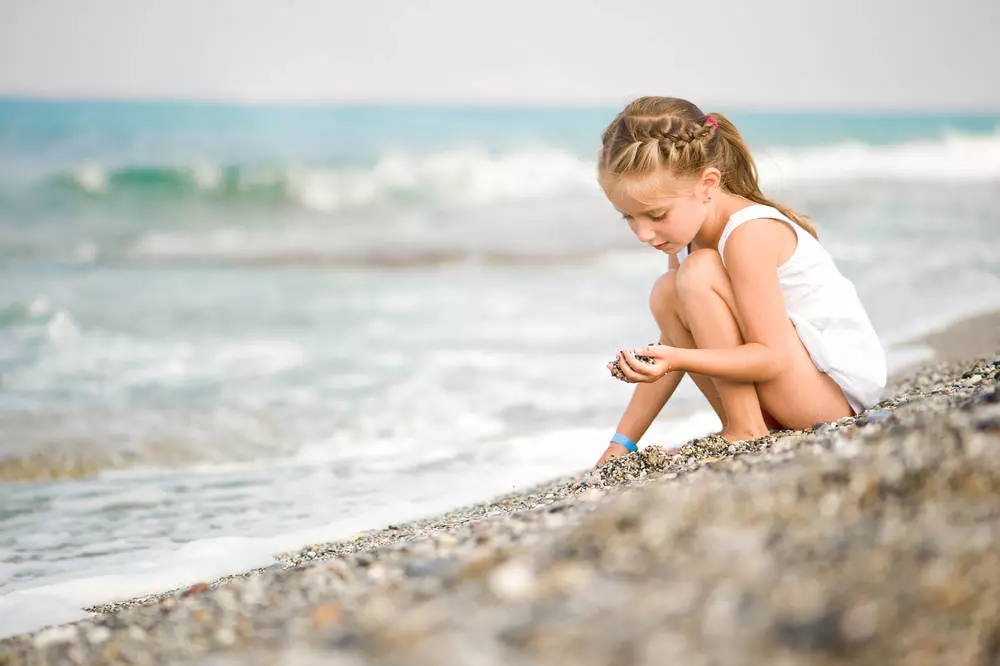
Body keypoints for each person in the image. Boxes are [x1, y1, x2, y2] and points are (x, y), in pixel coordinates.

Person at [591, 97, 886, 469]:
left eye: (657, 215)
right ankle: (744, 424)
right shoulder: (684, 238)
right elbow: (675, 343)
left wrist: (676, 358)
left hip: (828, 400)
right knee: (665, 293)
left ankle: (745, 430)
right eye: (628, 218)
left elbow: (772, 357)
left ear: (708, 184)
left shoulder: (748, 233)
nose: (643, 233)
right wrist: (621, 444)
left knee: (696, 273)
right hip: (783, 399)